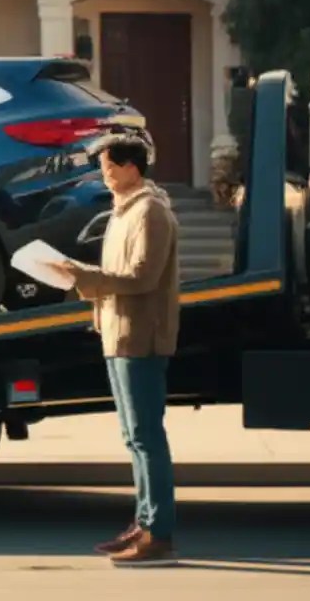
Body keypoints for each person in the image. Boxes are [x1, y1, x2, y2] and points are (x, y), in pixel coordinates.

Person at [49, 128, 180, 567]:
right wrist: (77, 272)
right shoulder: (125, 210)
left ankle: (159, 534)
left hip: (141, 336)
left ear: (130, 168)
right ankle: (144, 523)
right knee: (134, 437)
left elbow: (143, 277)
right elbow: (116, 275)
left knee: (146, 437)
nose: (103, 175)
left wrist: (84, 277)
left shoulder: (150, 211)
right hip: (117, 333)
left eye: (108, 168)